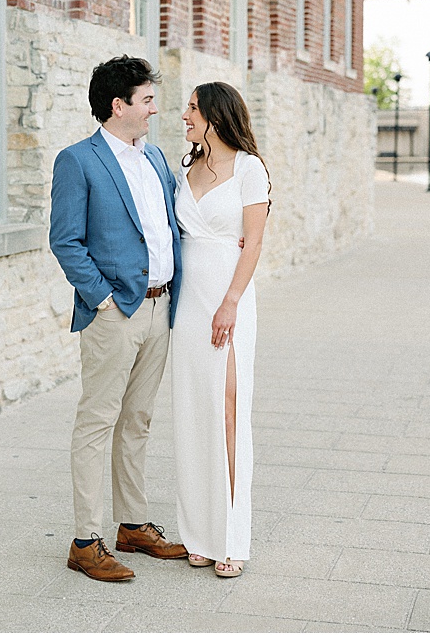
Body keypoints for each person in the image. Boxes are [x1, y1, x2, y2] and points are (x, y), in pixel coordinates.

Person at [50, 56, 188, 582]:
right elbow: (65, 239)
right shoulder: (78, 161)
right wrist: (104, 300)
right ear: (118, 105)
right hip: (115, 314)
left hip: (160, 307)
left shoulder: (154, 158)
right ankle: (86, 540)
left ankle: (132, 525)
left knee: (138, 422)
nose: (155, 110)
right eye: (147, 100)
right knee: (97, 422)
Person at [171, 82, 271, 578]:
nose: (184, 114)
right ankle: (199, 533)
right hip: (188, 304)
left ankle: (232, 536)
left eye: (192, 107)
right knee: (192, 412)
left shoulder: (250, 169)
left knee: (229, 412)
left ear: (214, 114)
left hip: (227, 300)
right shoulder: (185, 169)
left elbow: (252, 244)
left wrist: (230, 302)